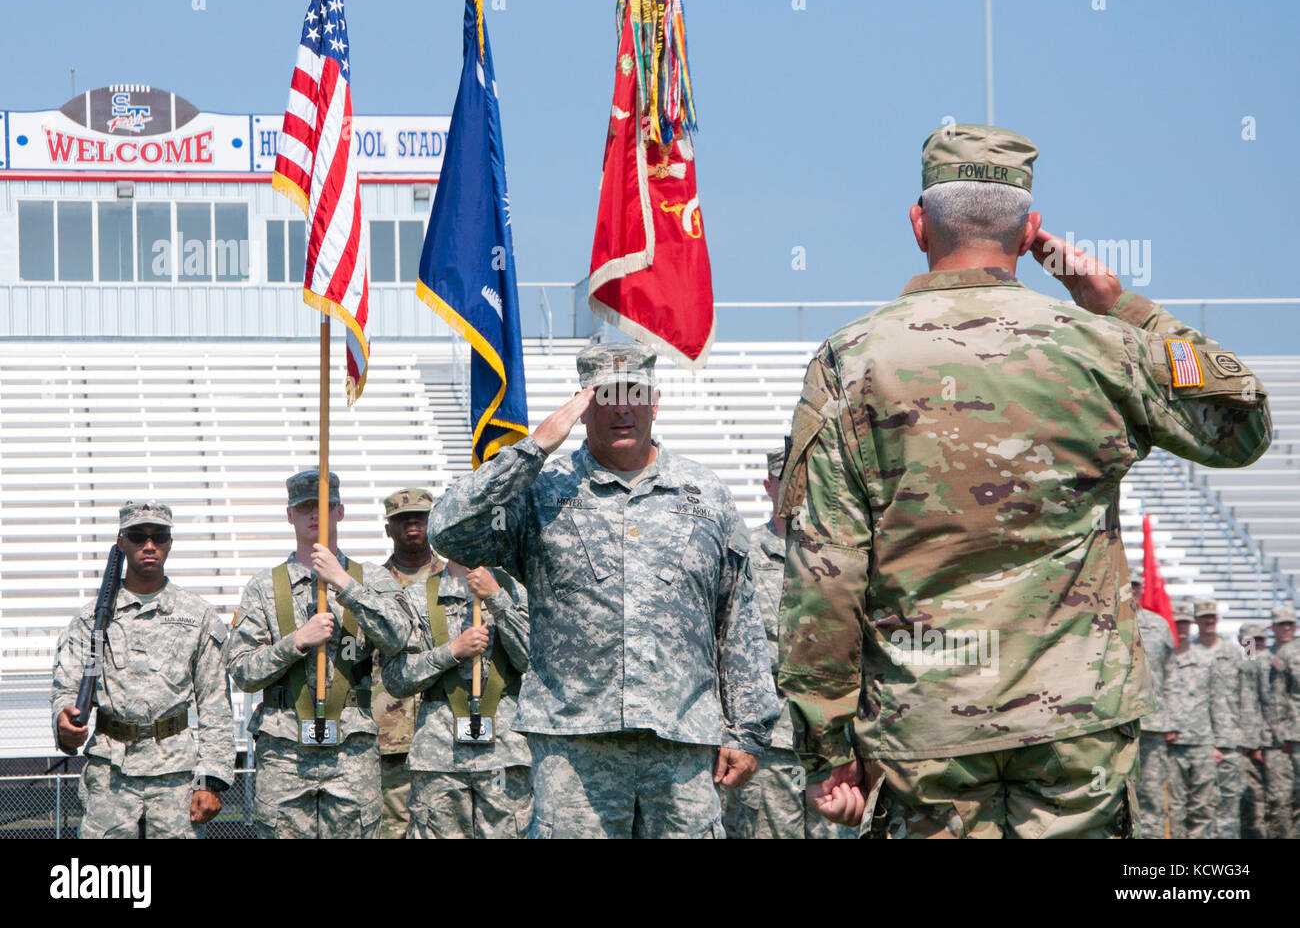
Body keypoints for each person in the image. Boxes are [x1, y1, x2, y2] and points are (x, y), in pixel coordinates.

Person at [776, 123, 1272, 839]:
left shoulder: (852, 360)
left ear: (919, 225)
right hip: (1075, 726)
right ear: (1031, 229)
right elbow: (1242, 425)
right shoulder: (1102, 345)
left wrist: (825, 743)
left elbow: (826, 574)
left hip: (926, 724)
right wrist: (1121, 305)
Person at [429, 342, 779, 838]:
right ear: (583, 402)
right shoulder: (543, 492)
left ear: (654, 402)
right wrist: (533, 448)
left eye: (634, 393)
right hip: (574, 749)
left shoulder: (705, 495)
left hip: (680, 747)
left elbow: (735, 618)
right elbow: (448, 531)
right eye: (606, 394)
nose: (622, 407)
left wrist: (748, 730)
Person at [225, 470, 411, 839]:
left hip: (351, 753)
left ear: (340, 512)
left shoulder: (369, 579)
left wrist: (345, 585)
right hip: (284, 754)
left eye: (324, 506)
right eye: (305, 507)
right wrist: (295, 642)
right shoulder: (265, 588)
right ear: (289, 515)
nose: (315, 515)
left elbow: (398, 638)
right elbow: (242, 670)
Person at [51, 501, 234, 838]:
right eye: (138, 536)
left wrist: (212, 780)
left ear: (169, 543)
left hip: (176, 776)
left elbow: (215, 705)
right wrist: (63, 723)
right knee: (108, 884)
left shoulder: (198, 616)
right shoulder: (92, 620)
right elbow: (67, 687)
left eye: (159, 536)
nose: (149, 546)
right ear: (121, 542)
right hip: (110, 776)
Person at [721, 446, 856, 840]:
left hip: (832, 744)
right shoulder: (743, 555)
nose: (800, 491)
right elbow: (729, 645)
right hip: (769, 746)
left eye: (809, 481)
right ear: (769, 486)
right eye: (789, 480)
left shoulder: (845, 559)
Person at [382, 556, 532, 838]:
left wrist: (497, 600)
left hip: (504, 756)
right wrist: (451, 651)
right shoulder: (418, 597)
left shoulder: (515, 590)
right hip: (440, 756)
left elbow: (533, 662)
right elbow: (397, 679)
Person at [370, 488, 439, 839]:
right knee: (393, 829)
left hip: (446, 730)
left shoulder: (459, 581)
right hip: (391, 732)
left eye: (420, 518)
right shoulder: (372, 587)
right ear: (389, 530)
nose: (412, 525)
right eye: (402, 519)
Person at [1194, 601, 1247, 838]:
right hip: (1198, 740)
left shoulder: (1233, 652)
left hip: (1231, 739)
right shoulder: (1188, 651)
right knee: (1200, 805)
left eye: (1212, 618)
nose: (1209, 622)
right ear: (1196, 620)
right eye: (1204, 617)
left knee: (1230, 803)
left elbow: (1246, 694)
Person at [1166, 604, 1219, 838]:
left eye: (1186, 623)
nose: (1182, 628)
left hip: (1202, 741)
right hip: (1171, 745)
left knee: (1203, 806)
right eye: (1178, 623)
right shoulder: (1161, 659)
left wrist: (1220, 742)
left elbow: (1218, 701)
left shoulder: (1207, 659)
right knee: (1174, 806)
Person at [1134, 580, 1177, 839]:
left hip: (1153, 724)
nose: (1131, 590)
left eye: (1136, 586)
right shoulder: (1103, 619)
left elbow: (1171, 675)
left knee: (1151, 795)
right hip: (1116, 724)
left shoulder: (1159, 625)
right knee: (1110, 792)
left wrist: (1171, 719)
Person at [1263, 605, 1300, 838]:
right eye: (1281, 624)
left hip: (1290, 733)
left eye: (1290, 624)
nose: (1286, 628)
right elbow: (1276, 697)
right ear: (1272, 628)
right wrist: (1279, 735)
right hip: (1284, 735)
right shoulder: (1269, 655)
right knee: (1279, 798)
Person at [1237, 622, 1270, 839]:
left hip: (1266, 742)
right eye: (1250, 641)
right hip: (1238, 741)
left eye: (1259, 640)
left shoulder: (1272, 664)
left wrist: (1261, 741)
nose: (1254, 645)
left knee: (1266, 798)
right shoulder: (1237, 663)